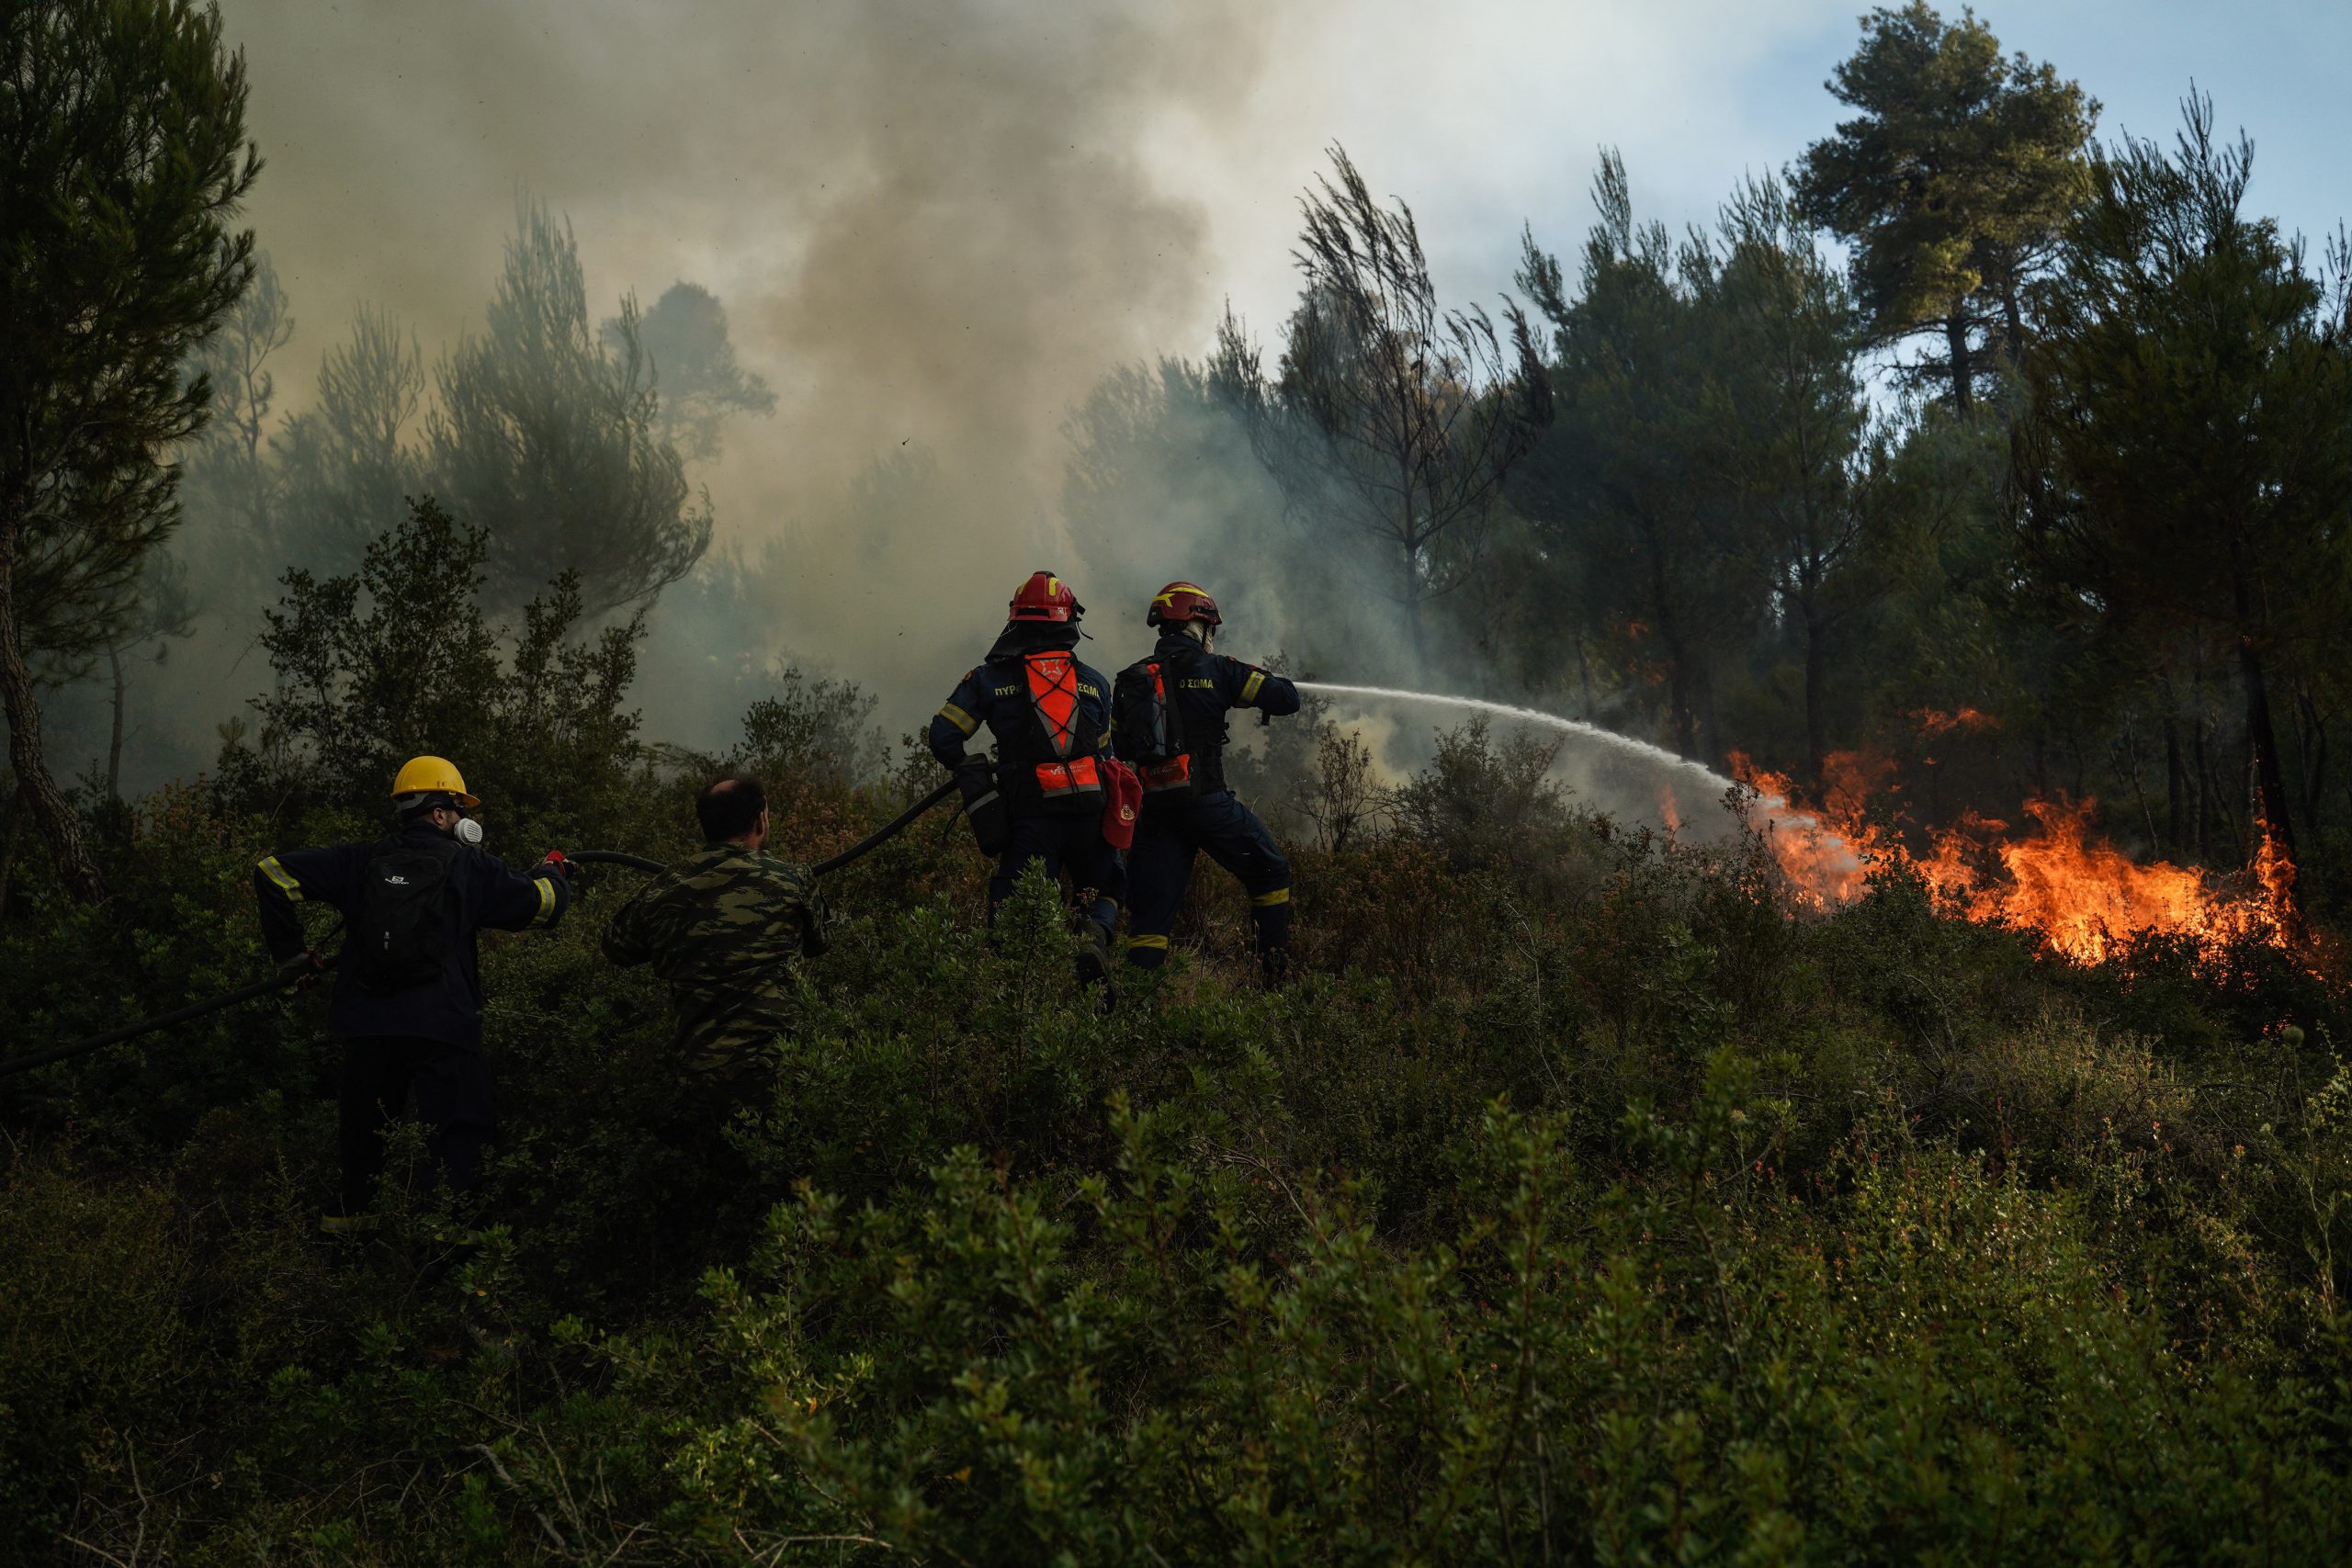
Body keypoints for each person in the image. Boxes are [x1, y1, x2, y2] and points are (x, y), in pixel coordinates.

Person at [254, 755, 570, 1234]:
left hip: (367, 1027)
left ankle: (349, 1252)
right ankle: (443, 1252)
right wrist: (553, 870)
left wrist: (293, 958)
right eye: (461, 810)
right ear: (441, 814)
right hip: (443, 1025)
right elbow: (543, 907)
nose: (467, 820)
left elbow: (272, 873)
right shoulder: (470, 866)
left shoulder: (357, 860)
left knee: (364, 1142)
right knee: (457, 1139)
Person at [927, 570, 1124, 987]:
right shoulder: (1095, 684)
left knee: (1015, 919)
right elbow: (1107, 758)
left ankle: (1021, 1005)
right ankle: (1092, 938)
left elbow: (944, 738)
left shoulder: (989, 679)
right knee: (1106, 884)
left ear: (1016, 620)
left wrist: (974, 774)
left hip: (1032, 819)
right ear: (1069, 623)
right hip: (1091, 813)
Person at [1113, 581, 1300, 983]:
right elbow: (1287, 699)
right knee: (1271, 871)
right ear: (1198, 625)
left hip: (1156, 813)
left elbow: (1118, 744)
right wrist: (1254, 682)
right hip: (1209, 805)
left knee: (1150, 917)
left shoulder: (1131, 680)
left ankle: (1133, 1013)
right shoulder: (1219, 670)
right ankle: (1273, 979)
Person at [599, 772, 829, 1096]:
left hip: (697, 1078)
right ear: (760, 821)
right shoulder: (794, 879)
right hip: (781, 1072)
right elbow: (819, 943)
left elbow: (616, 948)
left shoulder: (662, 888)